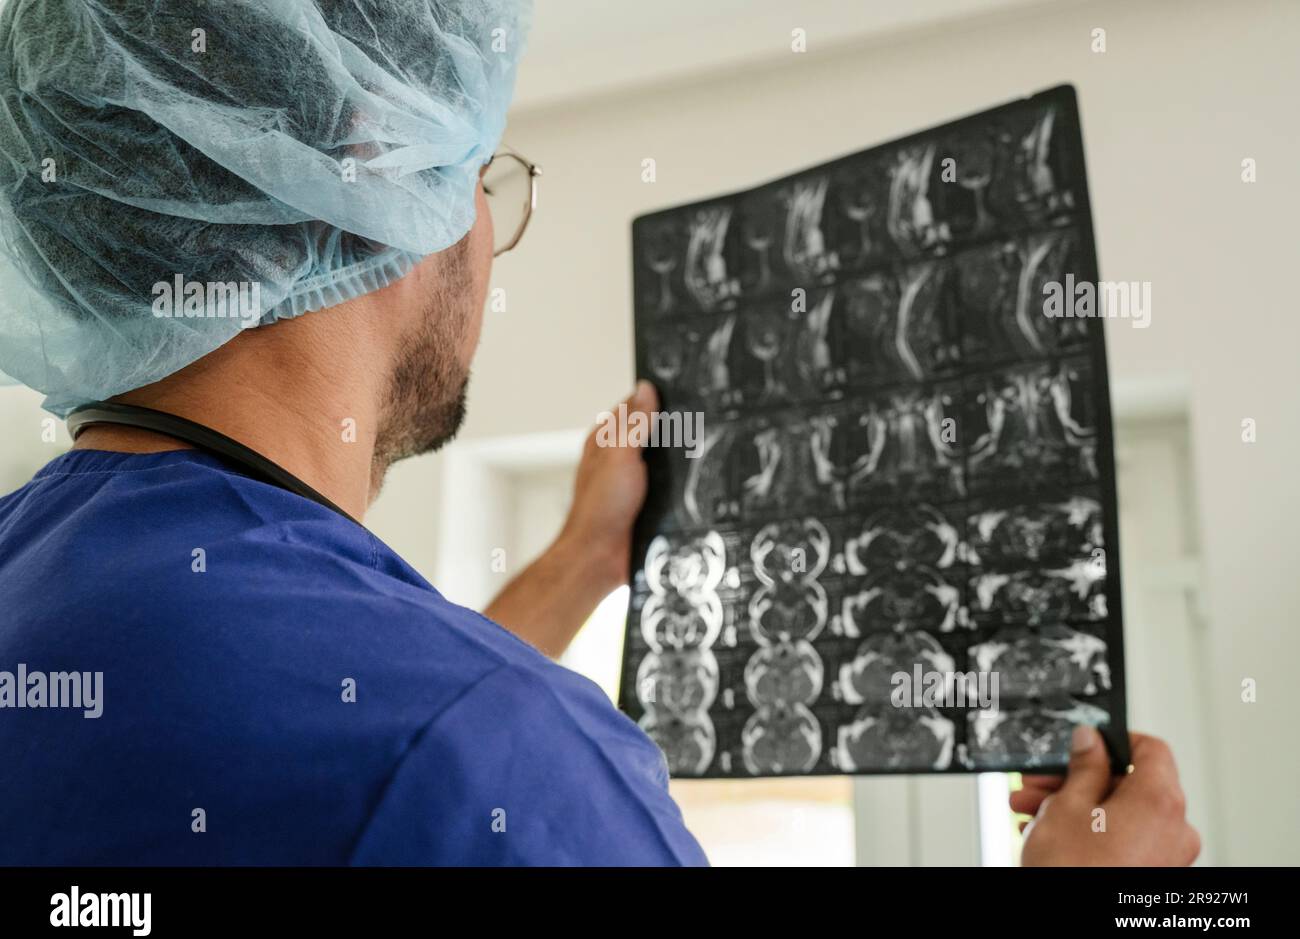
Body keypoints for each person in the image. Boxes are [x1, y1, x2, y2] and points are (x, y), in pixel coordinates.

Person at [0, 0, 1198, 866]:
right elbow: (417, 741)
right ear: (374, 164)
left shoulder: (36, 581)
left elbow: (330, 719)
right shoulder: (511, 760)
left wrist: (584, 559)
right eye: (481, 174)